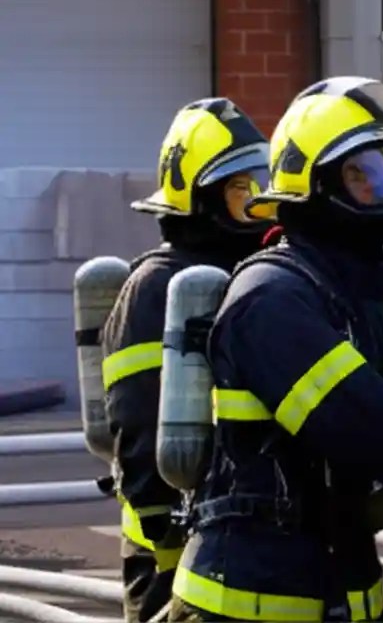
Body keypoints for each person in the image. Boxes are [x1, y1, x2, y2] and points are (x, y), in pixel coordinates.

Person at [168, 77, 383, 622]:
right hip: (253, 601)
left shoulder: (350, 293)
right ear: (316, 188)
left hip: (341, 585)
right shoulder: (271, 298)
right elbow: (363, 424)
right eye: (362, 176)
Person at [100, 97, 271, 623]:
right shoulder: (157, 287)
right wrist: (167, 540)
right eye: (242, 190)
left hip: (233, 534)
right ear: (203, 199)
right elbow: (136, 421)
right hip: (168, 547)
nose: (261, 202)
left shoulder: (256, 272)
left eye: (261, 183)